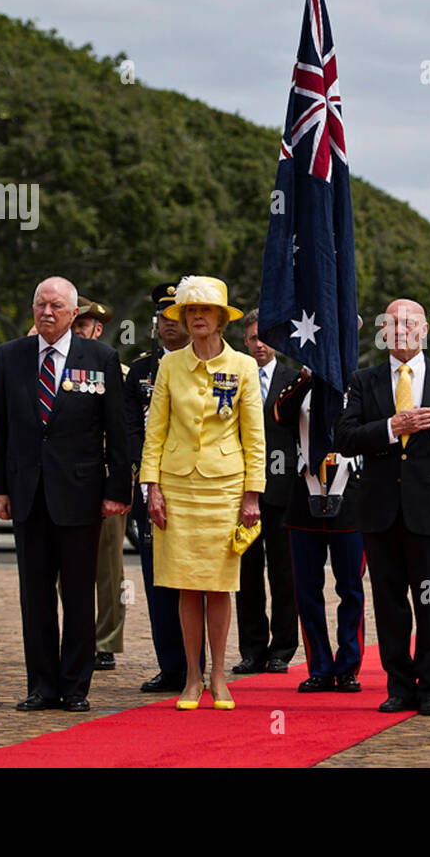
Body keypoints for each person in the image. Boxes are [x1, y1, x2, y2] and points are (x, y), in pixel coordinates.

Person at [0, 276, 131, 712]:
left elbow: (117, 431)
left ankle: (75, 687)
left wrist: (116, 490)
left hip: (81, 495)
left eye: (56, 306)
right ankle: (42, 686)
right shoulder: (10, 357)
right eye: (40, 305)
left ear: (73, 314)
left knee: (78, 593)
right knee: (35, 595)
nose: (47, 312)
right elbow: (2, 432)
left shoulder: (101, 358)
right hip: (28, 495)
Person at [335, 298, 430, 716]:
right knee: (390, 604)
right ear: (382, 332)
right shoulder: (365, 380)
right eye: (392, 323)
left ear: (425, 330)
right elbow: (343, 437)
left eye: (408, 323)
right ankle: (398, 685)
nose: (400, 329)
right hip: (381, 513)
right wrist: (390, 428)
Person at [139, 276, 265, 711]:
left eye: (203, 311)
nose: (195, 317)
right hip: (176, 486)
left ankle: (218, 675)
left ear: (219, 319)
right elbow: (154, 430)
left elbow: (255, 435)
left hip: (226, 488)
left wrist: (253, 495)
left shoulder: (244, 367)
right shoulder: (169, 365)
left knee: (219, 586)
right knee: (185, 586)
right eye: (189, 311)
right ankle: (191, 677)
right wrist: (150, 487)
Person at [123, 281, 201, 693]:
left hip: (199, 484)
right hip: (153, 486)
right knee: (157, 582)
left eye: (176, 316)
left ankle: (200, 667)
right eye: (163, 318)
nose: (169, 325)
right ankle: (171, 666)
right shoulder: (139, 371)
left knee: (198, 579)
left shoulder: (207, 365)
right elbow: (130, 427)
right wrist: (148, 472)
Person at [274, 364, 365, 693]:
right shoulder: (299, 383)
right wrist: (305, 379)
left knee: (351, 588)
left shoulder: (360, 383)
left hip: (350, 497)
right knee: (307, 590)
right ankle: (320, 666)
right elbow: (279, 415)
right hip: (304, 496)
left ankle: (348, 665)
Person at [232, 309, 300, 675]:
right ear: (244, 341)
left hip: (283, 490)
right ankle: (252, 649)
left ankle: (283, 648)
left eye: (265, 338)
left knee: (283, 573)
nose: (259, 345)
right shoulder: (236, 378)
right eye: (253, 338)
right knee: (246, 573)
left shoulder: (294, 379)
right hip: (241, 491)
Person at [72, 297, 128, 673]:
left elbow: (123, 431)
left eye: (86, 325)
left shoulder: (115, 367)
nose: (80, 331)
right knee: (68, 565)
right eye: (75, 324)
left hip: (104, 474)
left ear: (98, 329)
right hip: (67, 477)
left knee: (108, 566)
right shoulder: (50, 365)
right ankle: (76, 634)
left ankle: (106, 640)